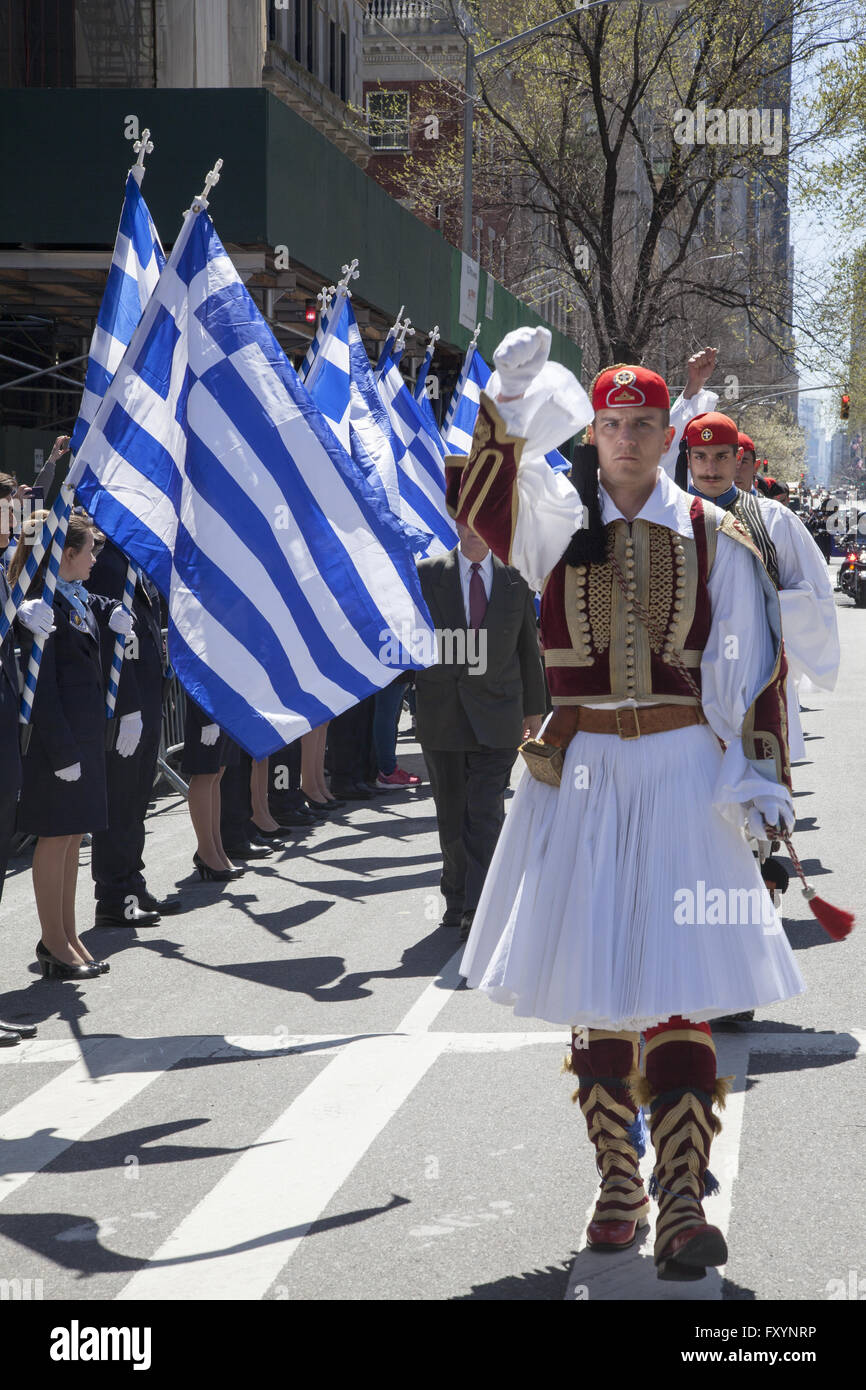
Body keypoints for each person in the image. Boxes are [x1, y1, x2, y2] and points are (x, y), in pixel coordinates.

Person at [451, 328, 802, 1281]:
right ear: (594, 432)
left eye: (648, 425)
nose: (633, 441)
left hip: (687, 765)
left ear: (669, 433)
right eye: (615, 426)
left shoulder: (712, 530)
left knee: (682, 978)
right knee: (597, 981)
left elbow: (752, 654)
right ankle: (620, 1183)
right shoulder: (555, 520)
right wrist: (508, 401)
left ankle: (683, 1200)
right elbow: (479, 506)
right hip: (587, 770)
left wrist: (760, 772)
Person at [10, 512, 135, 980]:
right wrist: (63, 752)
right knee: (55, 839)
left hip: (81, 741)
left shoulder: (74, 599)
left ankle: (67, 934)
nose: (95, 559)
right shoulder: (42, 607)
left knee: (69, 843)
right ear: (66, 554)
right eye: (89, 551)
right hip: (56, 747)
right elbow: (43, 690)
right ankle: (53, 940)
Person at [414, 521, 546, 941]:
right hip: (444, 712)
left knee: (485, 808)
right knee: (452, 813)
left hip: (499, 713)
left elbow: (529, 645)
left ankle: (479, 904)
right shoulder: (427, 573)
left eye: (482, 518)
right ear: (455, 523)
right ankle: (455, 891)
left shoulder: (514, 577)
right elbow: (409, 638)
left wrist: (534, 710)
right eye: (465, 520)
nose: (474, 529)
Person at [684, 411, 839, 765]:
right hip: (683, 679)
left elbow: (813, 592)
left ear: (738, 458)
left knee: (755, 792)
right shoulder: (668, 518)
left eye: (721, 456)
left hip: (753, 673)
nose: (711, 468)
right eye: (701, 457)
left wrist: (754, 609)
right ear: (688, 459)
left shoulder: (773, 518)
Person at [85, 536, 180, 927]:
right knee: (121, 801)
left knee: (137, 797)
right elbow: (111, 643)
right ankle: (115, 893)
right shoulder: (106, 563)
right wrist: (127, 707)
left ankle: (132, 882)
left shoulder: (133, 558)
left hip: (147, 693)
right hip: (126, 700)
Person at [181, 696, 244, 882]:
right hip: (206, 704)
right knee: (205, 773)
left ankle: (216, 848)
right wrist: (206, 717)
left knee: (217, 773)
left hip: (223, 702)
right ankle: (206, 850)